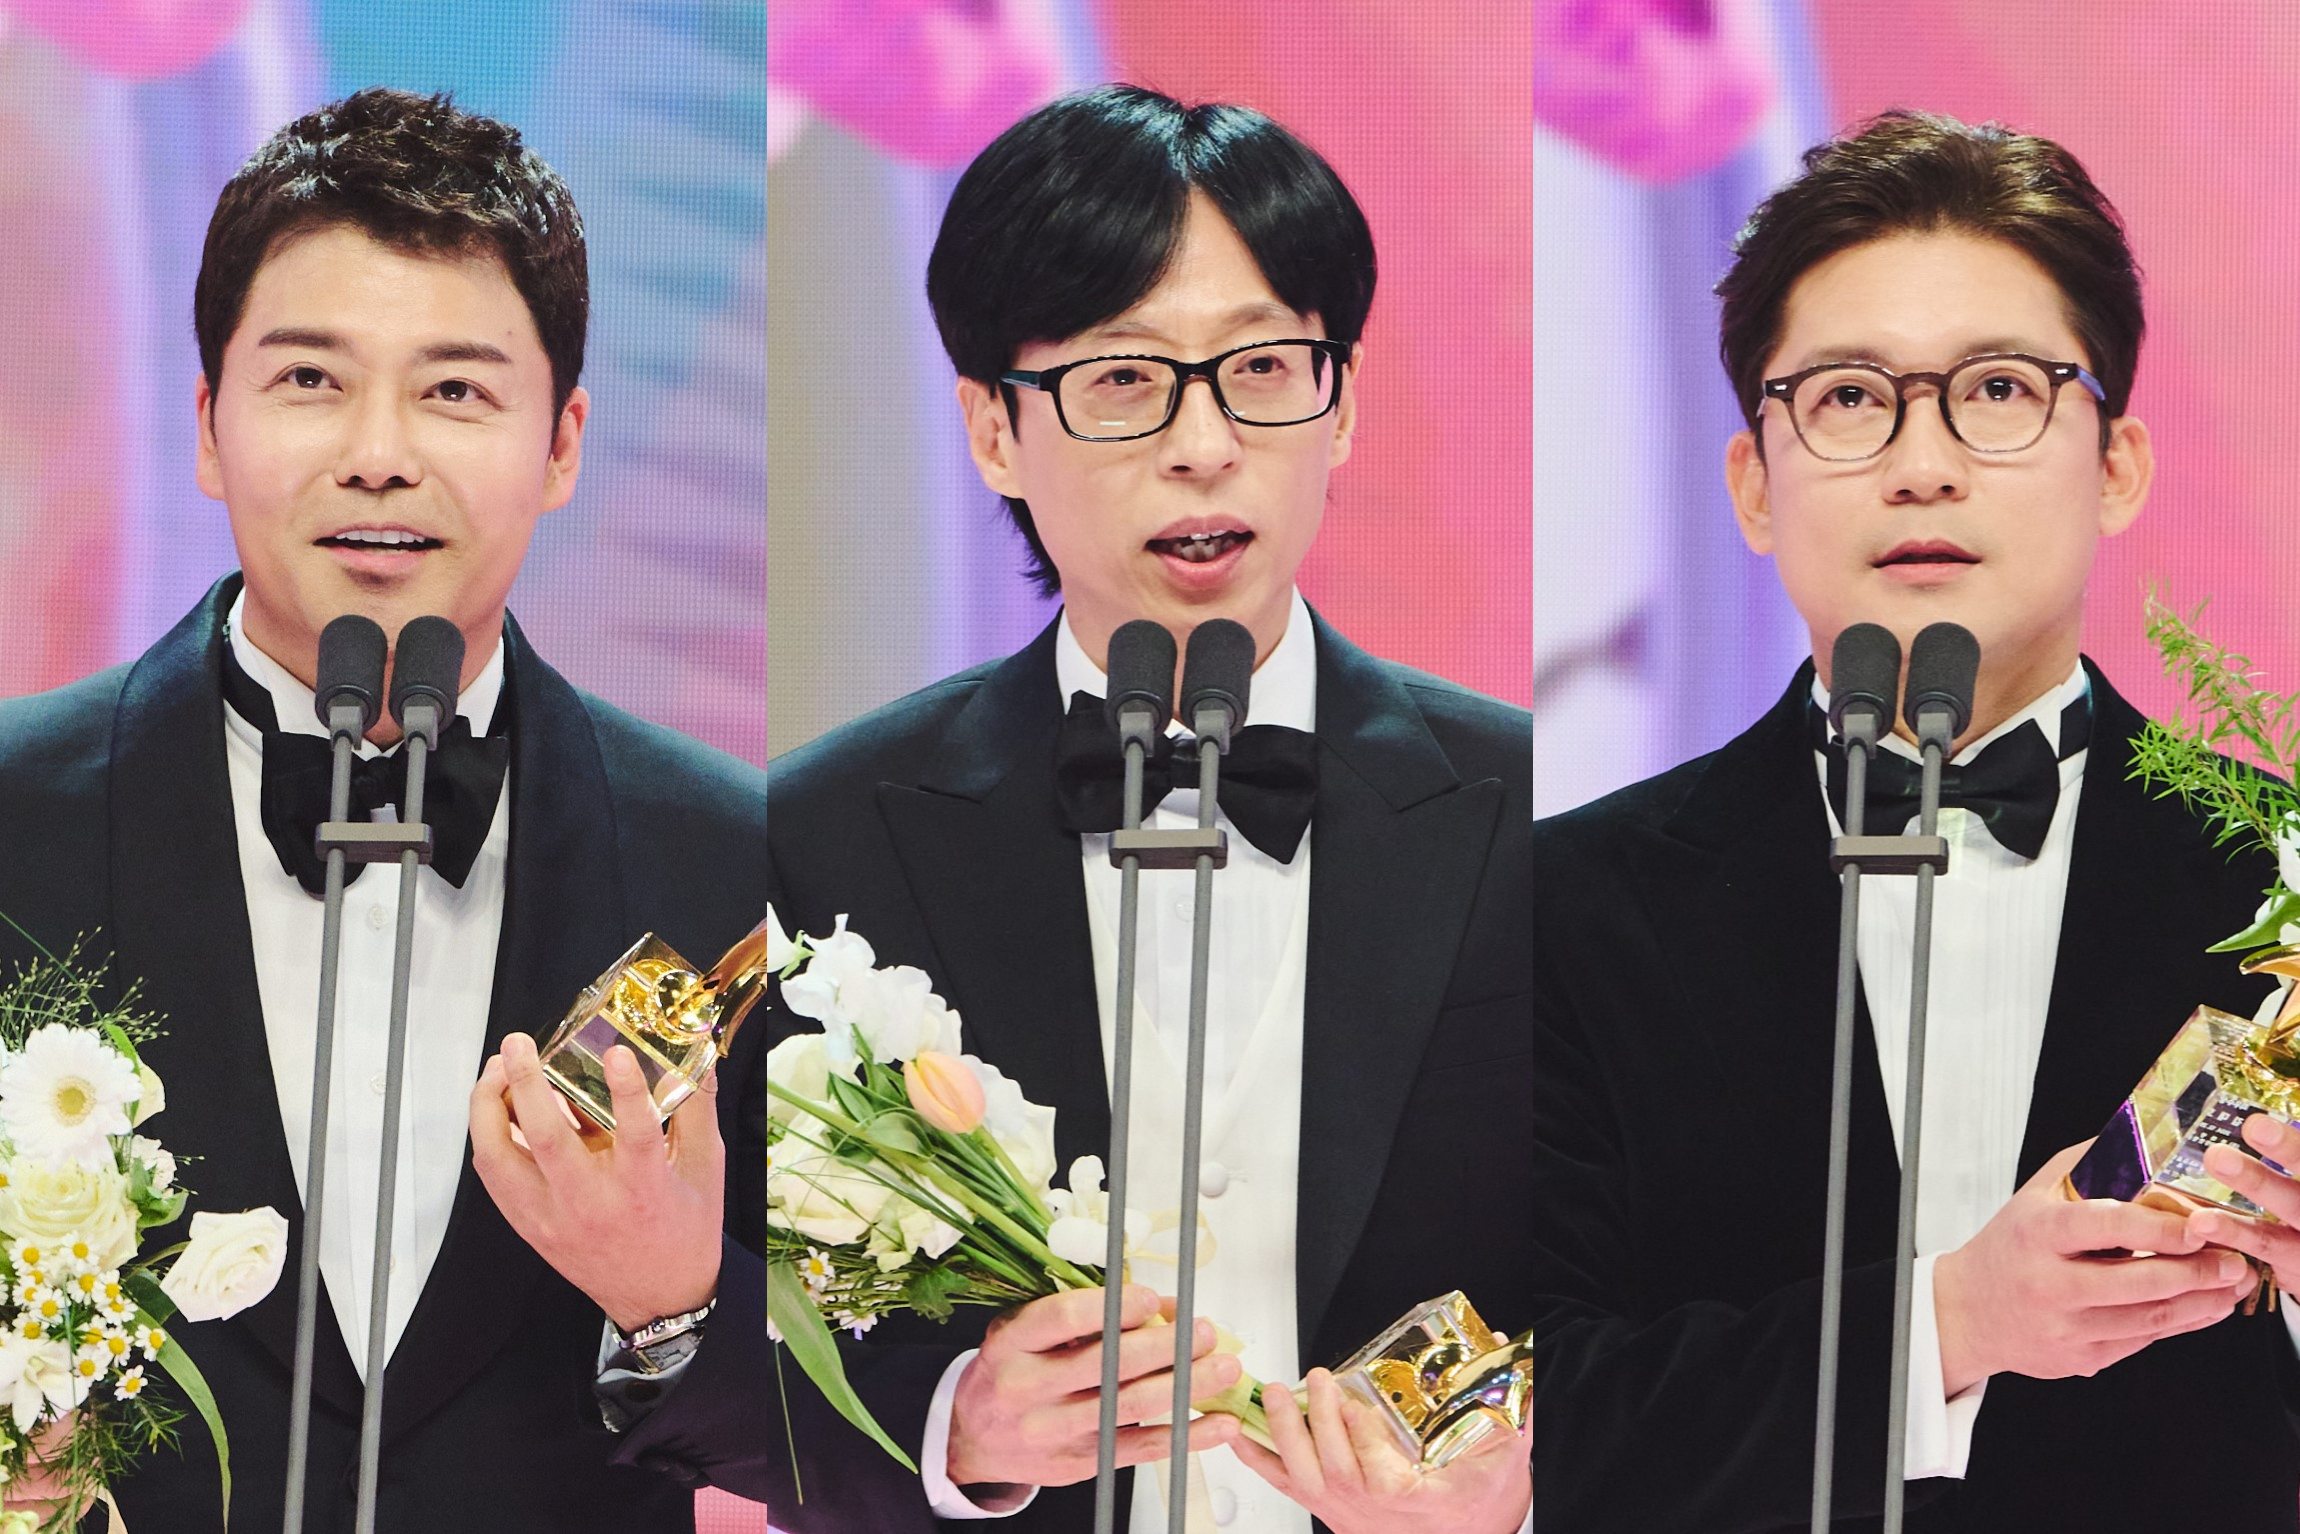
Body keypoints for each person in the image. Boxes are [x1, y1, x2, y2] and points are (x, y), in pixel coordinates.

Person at [0, 87, 827, 1530]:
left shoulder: (735, 866)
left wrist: (672, 1299)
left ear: (562, 443)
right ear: (207, 426)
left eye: (455, 391)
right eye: (310, 378)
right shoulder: (18, 820)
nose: (378, 451)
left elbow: (871, 1446)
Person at [766, 84, 1535, 1534]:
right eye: (1123, 378)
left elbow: (1657, 1298)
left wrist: (1517, 1496)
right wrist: (954, 1431)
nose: (1202, 444)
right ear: (994, 429)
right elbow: (722, 1355)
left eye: (1263, 369)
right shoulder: (825, 834)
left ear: (1342, 406)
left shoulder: (1537, 819)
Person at [1523, 110, 2300, 1531]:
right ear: (1752, 483)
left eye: (1999, 390)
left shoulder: (2280, 880)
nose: (1924, 463)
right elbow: (1528, 1419)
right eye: (1849, 397)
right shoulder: (1563, 906)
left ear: (2118, 464)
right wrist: (1947, 1322)